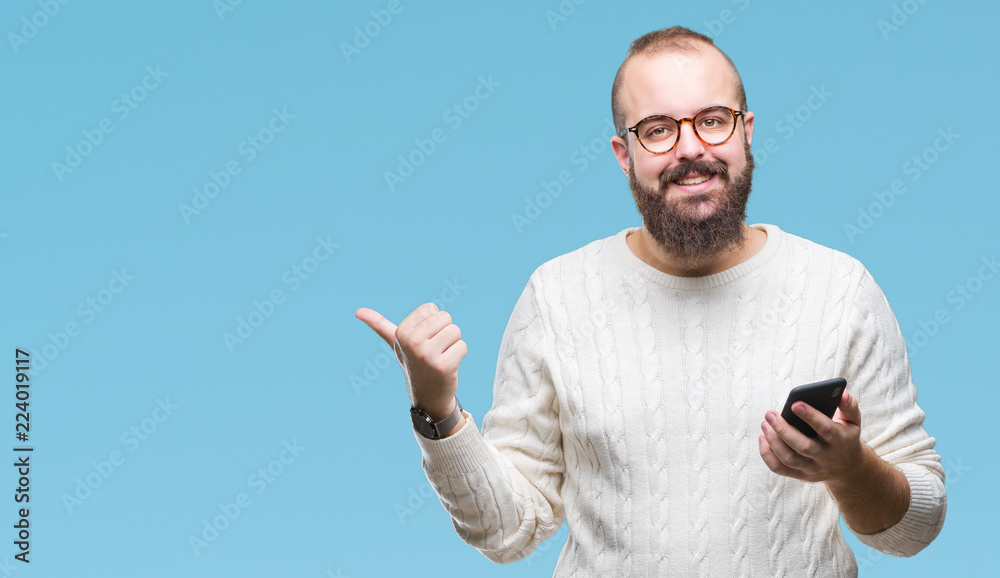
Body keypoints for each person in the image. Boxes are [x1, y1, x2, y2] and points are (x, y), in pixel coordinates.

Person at [356, 26, 946, 577]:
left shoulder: (839, 289)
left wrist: (850, 470)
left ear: (746, 131)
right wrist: (437, 410)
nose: (691, 148)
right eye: (659, 129)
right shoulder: (558, 295)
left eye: (713, 120)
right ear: (624, 154)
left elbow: (913, 530)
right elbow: (506, 532)